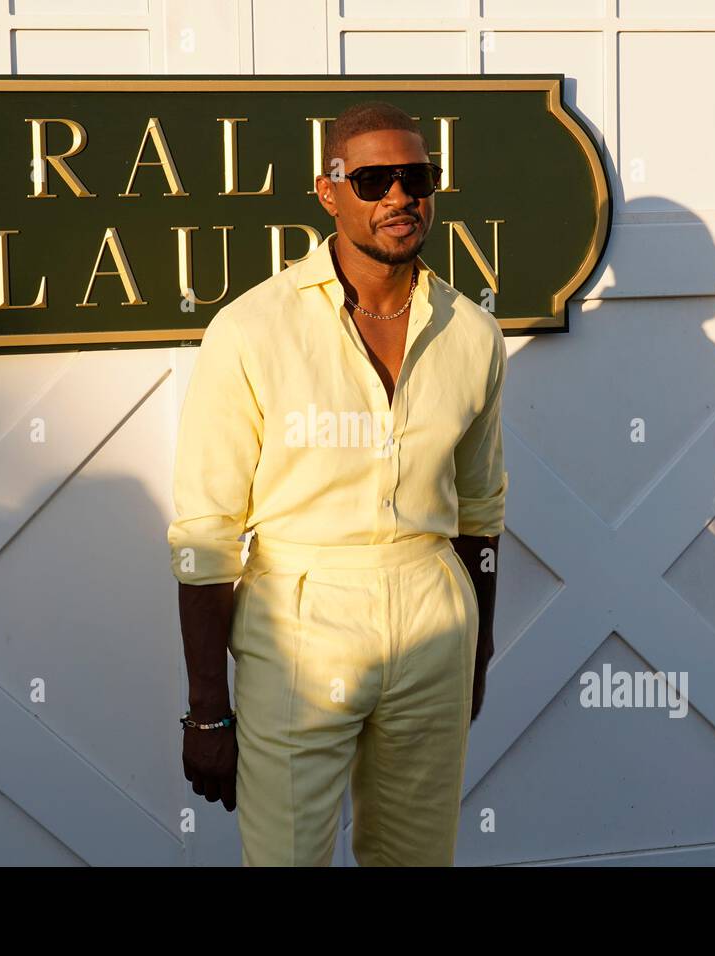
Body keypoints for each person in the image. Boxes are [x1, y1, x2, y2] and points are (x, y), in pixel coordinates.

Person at [167, 100, 507, 866]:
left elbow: (481, 512)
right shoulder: (253, 328)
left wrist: (478, 651)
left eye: (416, 178)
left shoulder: (472, 333)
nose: (398, 198)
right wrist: (208, 713)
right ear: (328, 191)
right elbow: (205, 535)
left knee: (417, 858)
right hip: (298, 619)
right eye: (374, 179)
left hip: (432, 611)